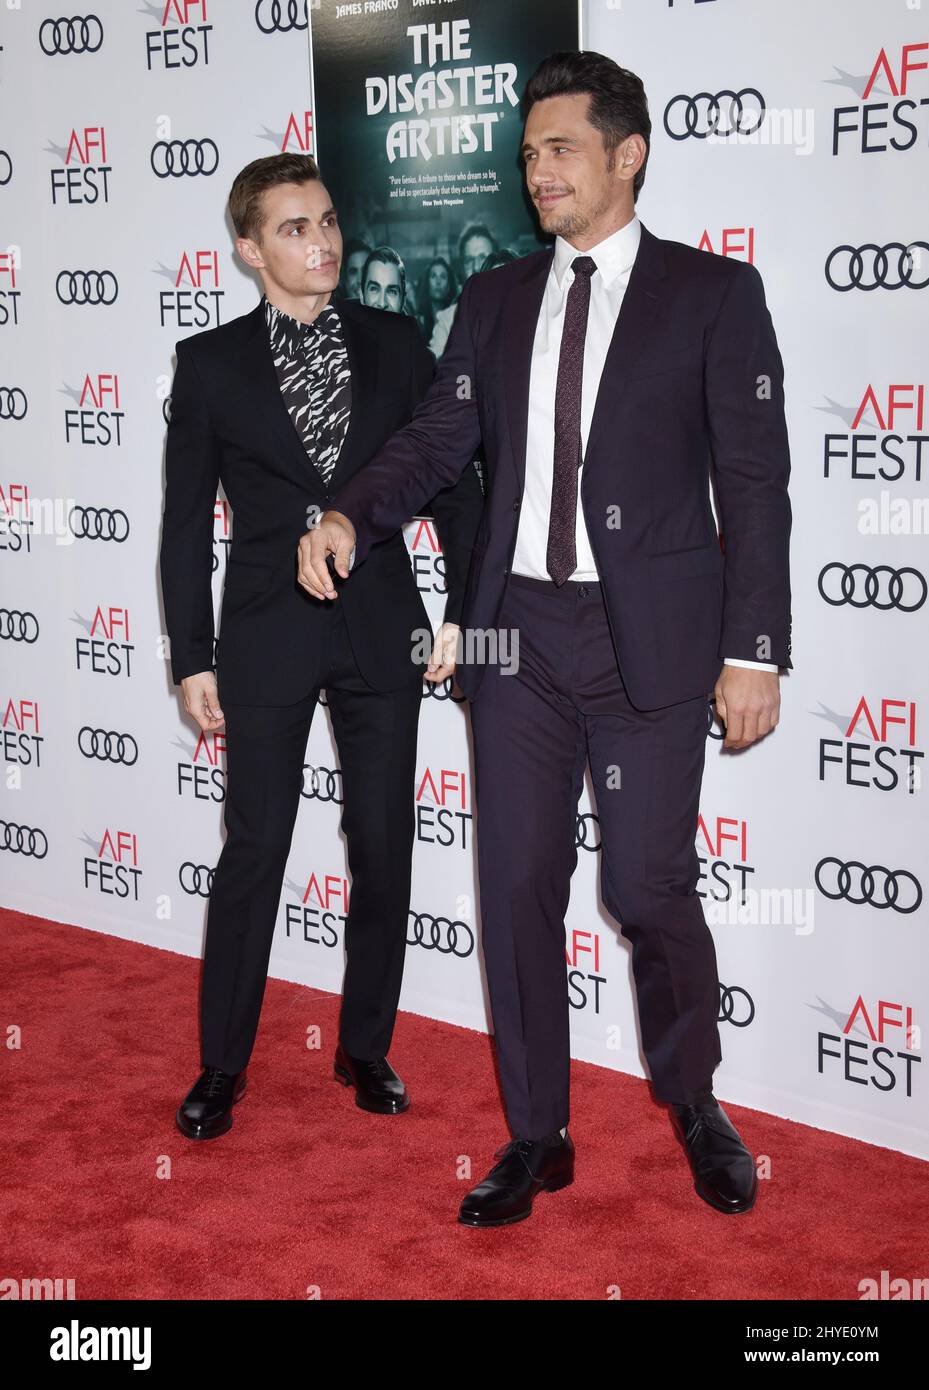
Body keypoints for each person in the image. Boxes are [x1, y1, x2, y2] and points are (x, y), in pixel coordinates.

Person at [299, 51, 793, 1226]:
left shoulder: (712, 295)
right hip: (511, 635)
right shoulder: (497, 298)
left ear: (626, 154)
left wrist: (753, 648)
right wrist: (349, 512)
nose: (536, 173)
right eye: (526, 154)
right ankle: (535, 1133)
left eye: (557, 149)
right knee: (515, 880)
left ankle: (694, 1098)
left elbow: (754, 481)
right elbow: (434, 442)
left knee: (644, 880)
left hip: (649, 645)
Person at [159, 152, 483, 1141]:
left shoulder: (394, 343)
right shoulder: (210, 363)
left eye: (329, 221)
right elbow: (182, 524)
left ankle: (365, 1044)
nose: (323, 242)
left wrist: (464, 611)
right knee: (256, 845)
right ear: (251, 248)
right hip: (263, 633)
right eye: (295, 227)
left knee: (382, 844)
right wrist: (191, 655)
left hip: (381, 622)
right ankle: (222, 1064)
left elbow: (453, 488)